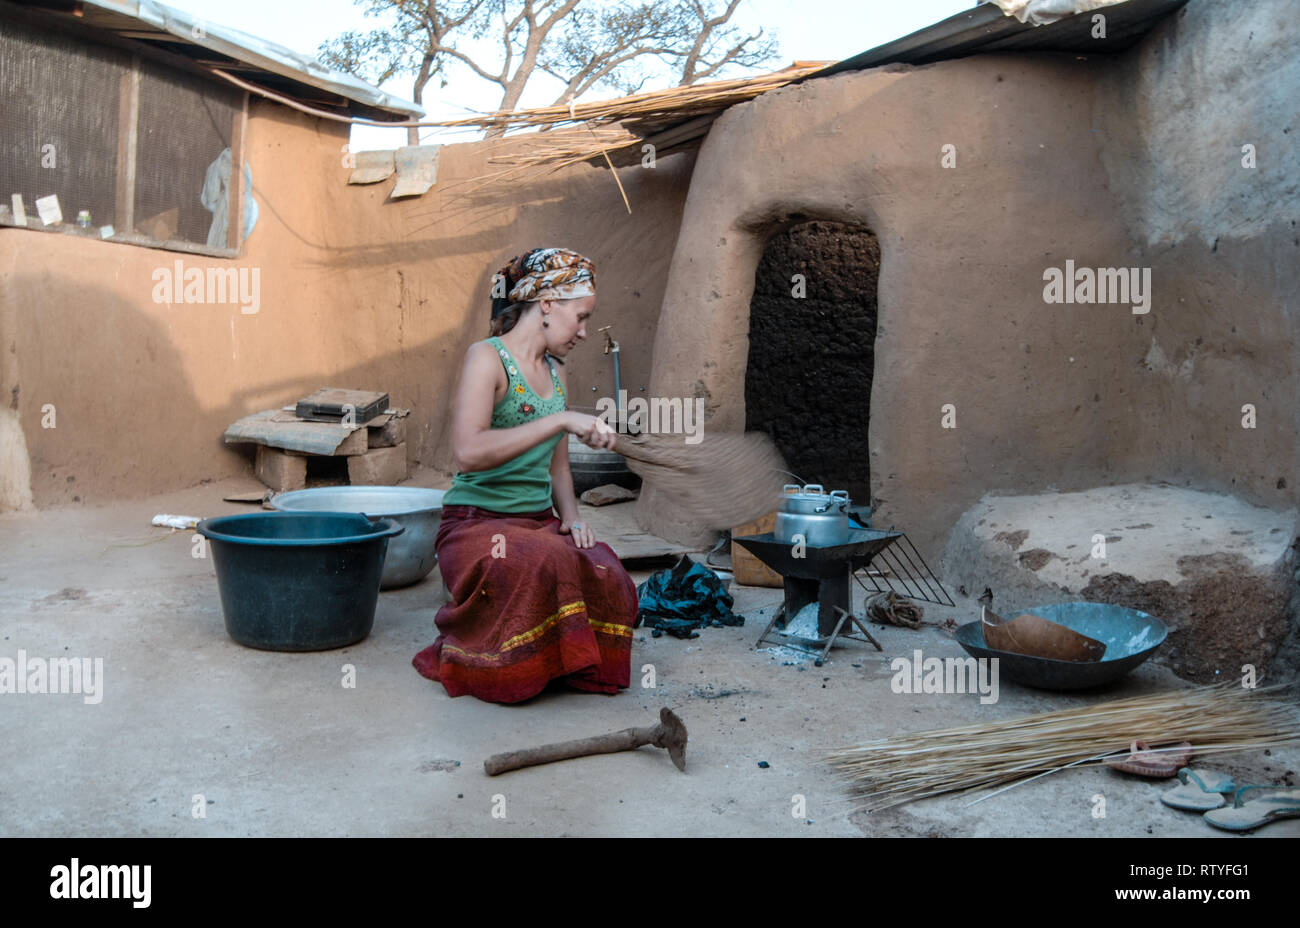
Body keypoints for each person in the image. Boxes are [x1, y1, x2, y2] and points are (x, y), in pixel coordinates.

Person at [413, 247, 638, 704]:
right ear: (548, 304)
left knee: (608, 572)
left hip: (537, 524)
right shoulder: (487, 358)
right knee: (541, 560)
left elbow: (557, 465)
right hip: (477, 524)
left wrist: (572, 519)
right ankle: (507, 665)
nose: (584, 331)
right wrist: (560, 421)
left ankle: (554, 659)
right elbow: (469, 452)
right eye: (581, 317)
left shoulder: (556, 375)